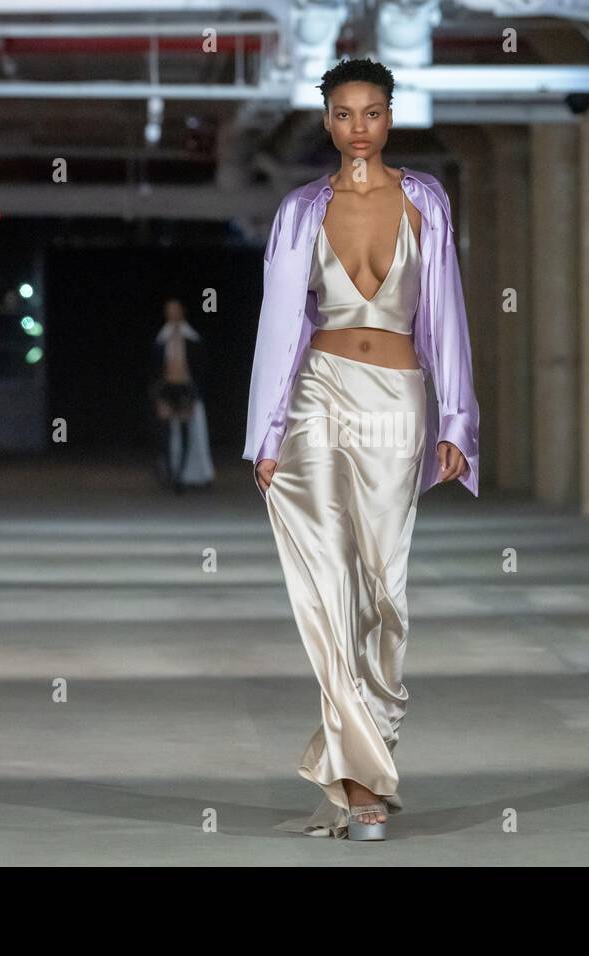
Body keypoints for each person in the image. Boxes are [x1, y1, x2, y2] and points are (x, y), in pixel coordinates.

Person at [243, 57, 481, 840]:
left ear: (390, 116)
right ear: (326, 120)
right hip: (316, 397)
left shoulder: (428, 203)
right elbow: (280, 328)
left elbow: (445, 314)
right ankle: (361, 784)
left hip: (398, 401)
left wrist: (456, 420)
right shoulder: (300, 211)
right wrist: (267, 433)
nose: (357, 128)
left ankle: (356, 758)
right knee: (325, 585)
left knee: (385, 589)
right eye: (342, 114)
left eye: (370, 112)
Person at [149, 297, 214, 493]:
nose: (173, 314)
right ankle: (170, 473)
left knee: (186, 432)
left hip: (185, 389)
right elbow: (154, 371)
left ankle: (183, 475)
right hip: (168, 389)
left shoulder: (191, 338)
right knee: (167, 433)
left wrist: (196, 395)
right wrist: (158, 397)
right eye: (169, 310)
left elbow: (201, 370)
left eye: (176, 310)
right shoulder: (162, 340)